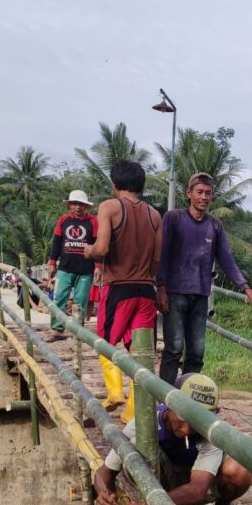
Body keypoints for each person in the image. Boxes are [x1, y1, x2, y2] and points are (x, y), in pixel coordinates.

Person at [92, 373, 251, 505]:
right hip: (161, 482)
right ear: (169, 406)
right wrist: (103, 493)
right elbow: (105, 472)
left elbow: (197, 490)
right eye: (182, 419)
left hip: (199, 481)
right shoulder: (145, 423)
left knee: (239, 470)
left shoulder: (212, 432)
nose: (187, 429)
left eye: (197, 422)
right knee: (134, 445)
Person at [156, 172, 252, 385]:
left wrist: (245, 287)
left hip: (201, 295)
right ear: (189, 193)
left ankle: (188, 399)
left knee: (196, 352)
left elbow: (226, 259)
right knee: (174, 349)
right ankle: (164, 400)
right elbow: (162, 255)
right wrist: (161, 287)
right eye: (199, 192)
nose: (203, 197)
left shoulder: (215, 225)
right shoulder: (174, 218)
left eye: (208, 193)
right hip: (175, 294)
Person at [84, 160, 162, 416]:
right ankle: (132, 413)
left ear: (114, 184)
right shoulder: (154, 214)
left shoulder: (109, 207)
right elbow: (157, 259)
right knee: (140, 353)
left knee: (104, 342)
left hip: (118, 287)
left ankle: (115, 392)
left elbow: (103, 248)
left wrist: (89, 250)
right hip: (146, 290)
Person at [47, 189, 98, 341]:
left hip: (85, 269)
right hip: (65, 267)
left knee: (81, 300)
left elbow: (97, 244)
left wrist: (98, 266)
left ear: (86, 206)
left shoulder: (93, 221)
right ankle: (56, 329)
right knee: (59, 298)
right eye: (74, 204)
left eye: (81, 204)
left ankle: (78, 331)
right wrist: (52, 262)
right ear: (69, 205)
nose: (78, 207)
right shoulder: (64, 220)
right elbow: (56, 242)